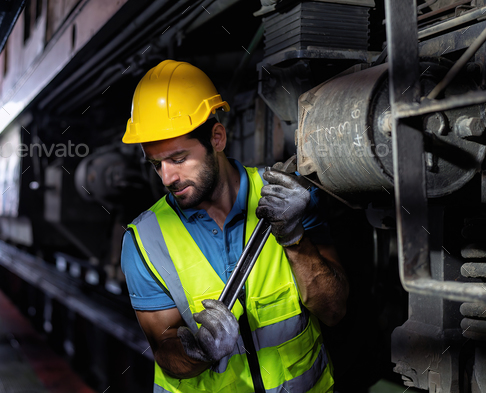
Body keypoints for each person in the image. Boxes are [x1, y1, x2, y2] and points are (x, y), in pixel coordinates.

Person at [120, 60, 349, 393]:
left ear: (216, 138)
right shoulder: (145, 241)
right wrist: (198, 351)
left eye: (179, 158)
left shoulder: (285, 197)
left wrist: (295, 238)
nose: (167, 177)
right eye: (157, 165)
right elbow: (164, 349)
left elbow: (333, 310)